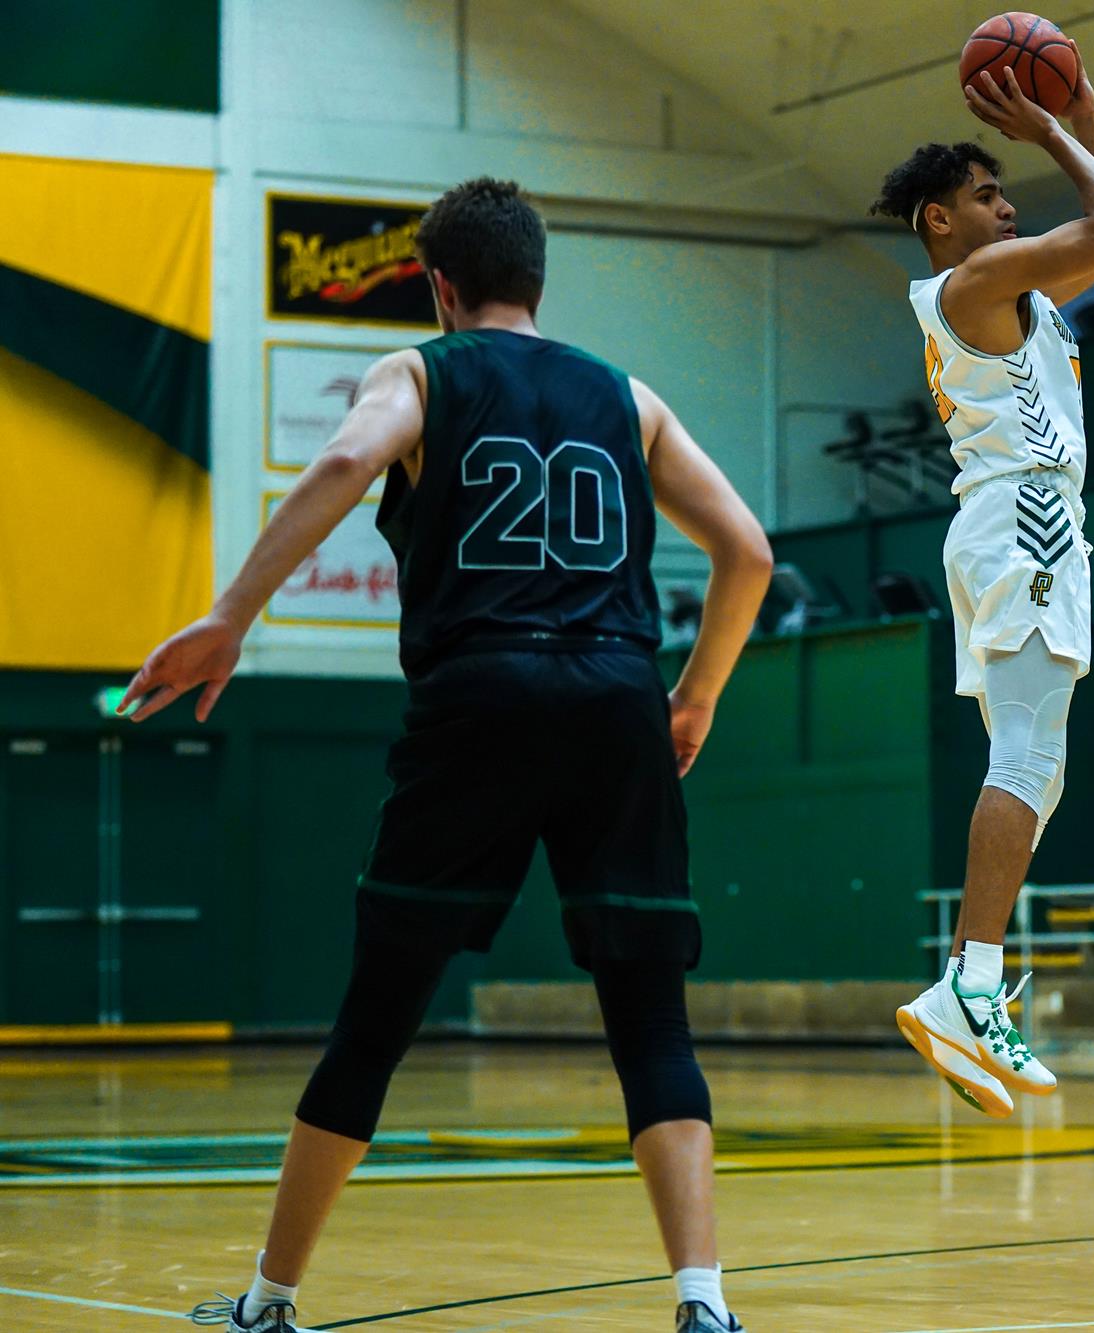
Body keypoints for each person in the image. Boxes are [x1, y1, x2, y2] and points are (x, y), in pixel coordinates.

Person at [123, 179, 771, 1333]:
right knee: (650, 1022)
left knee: (377, 1019)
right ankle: (703, 1302)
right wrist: (695, 696)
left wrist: (230, 615)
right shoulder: (628, 398)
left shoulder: (420, 373)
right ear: (535, 281)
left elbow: (342, 464)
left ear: (439, 286)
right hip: (617, 698)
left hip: (480, 697)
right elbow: (748, 553)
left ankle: (270, 1302)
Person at [869, 63, 1094, 1116]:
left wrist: (1085, 114)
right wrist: (1050, 130)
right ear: (940, 221)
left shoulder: (1010, 295)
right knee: (1026, 757)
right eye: (989, 195)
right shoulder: (973, 283)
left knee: (1040, 767)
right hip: (1025, 517)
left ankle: (969, 983)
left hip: (1018, 523)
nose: (1008, 205)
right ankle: (967, 984)